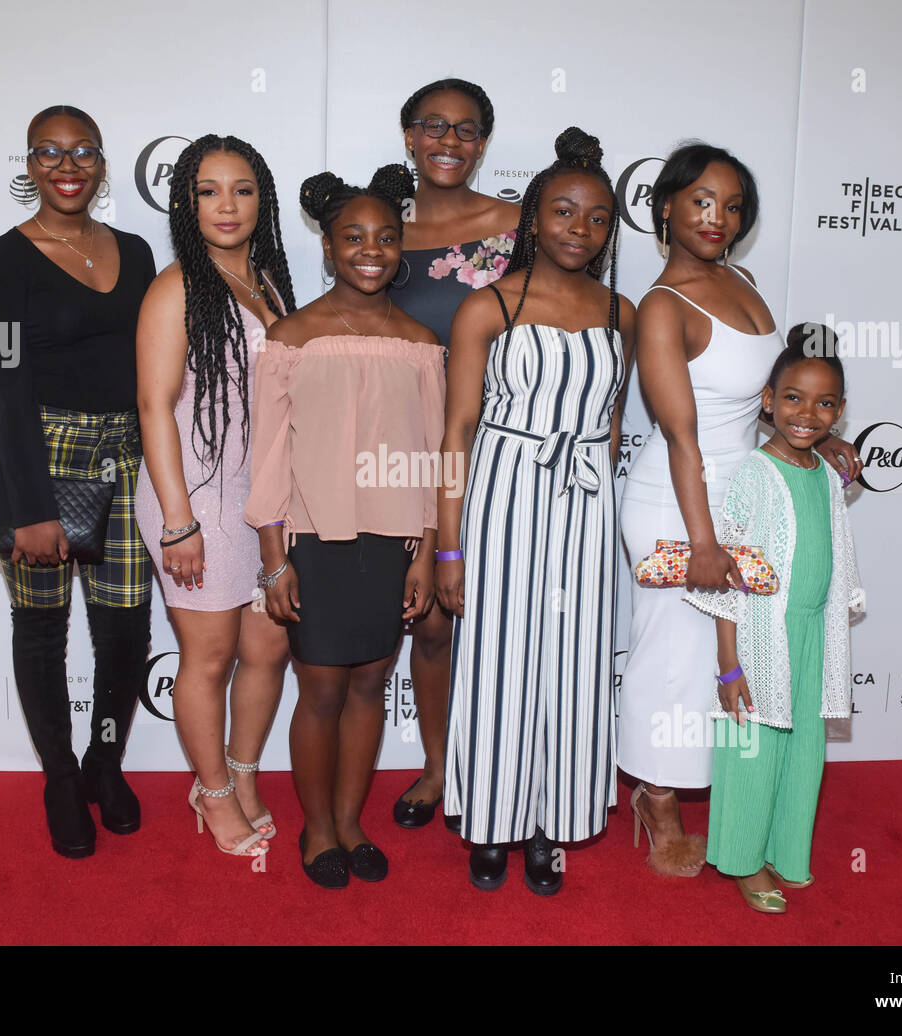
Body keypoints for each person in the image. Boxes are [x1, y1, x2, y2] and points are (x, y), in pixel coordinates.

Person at [617, 142, 861, 877]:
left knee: (733, 657)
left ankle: (722, 792)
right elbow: (683, 435)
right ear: (665, 206)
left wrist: (824, 442)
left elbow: (765, 397)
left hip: (751, 494)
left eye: (731, 206)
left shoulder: (744, 280)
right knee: (672, 656)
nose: (716, 218)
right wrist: (702, 542)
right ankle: (657, 801)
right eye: (699, 201)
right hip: (676, 503)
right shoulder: (663, 307)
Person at [437, 127, 634, 895]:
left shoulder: (623, 310)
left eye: (595, 218)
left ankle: (551, 826)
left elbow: (614, 422)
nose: (578, 230)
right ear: (533, 218)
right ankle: (493, 821)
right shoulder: (488, 306)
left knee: (576, 668)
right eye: (562, 212)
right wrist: (450, 547)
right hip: (504, 493)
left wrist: (605, 509)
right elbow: (456, 429)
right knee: (499, 664)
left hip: (585, 502)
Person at [245, 165, 443, 888]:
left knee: (369, 686)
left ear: (402, 248)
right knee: (322, 690)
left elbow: (429, 456)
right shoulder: (292, 336)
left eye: (386, 237)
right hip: (313, 541)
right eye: (352, 237)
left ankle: (353, 819)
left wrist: (423, 554)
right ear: (326, 248)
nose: (371, 250)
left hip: (392, 544)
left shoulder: (422, 342)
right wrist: (274, 560)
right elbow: (267, 456)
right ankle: (318, 828)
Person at [0, 105, 155, 859]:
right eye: (48, 152)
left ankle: (102, 763)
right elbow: (4, 386)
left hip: (129, 459)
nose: (67, 164)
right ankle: (56, 777)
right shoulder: (3, 260)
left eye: (82, 150)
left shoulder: (139, 251)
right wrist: (32, 507)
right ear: (28, 165)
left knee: (123, 631)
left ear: (104, 163)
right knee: (43, 630)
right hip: (35, 455)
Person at [134, 135, 296, 859]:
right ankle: (213, 792)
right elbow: (154, 406)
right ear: (185, 203)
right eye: (207, 190)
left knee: (268, 647)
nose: (226, 206)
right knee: (208, 657)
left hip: (265, 499)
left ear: (262, 200)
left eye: (241, 189)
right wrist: (177, 523)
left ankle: (242, 771)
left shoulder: (269, 280)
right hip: (195, 496)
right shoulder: (176, 288)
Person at [686, 325, 863, 912]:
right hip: (764, 638)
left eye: (824, 402)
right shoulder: (754, 477)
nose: (807, 413)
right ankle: (743, 858)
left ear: (839, 412)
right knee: (754, 753)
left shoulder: (828, 477)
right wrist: (728, 666)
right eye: (793, 397)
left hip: (813, 635)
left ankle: (788, 850)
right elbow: (729, 581)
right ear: (768, 400)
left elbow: (832, 558)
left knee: (805, 748)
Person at [388, 77, 521, 833]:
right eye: (432, 125)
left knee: (508, 620)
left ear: (484, 142)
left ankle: (509, 767)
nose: (448, 140)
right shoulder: (377, 231)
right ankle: (439, 767)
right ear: (408, 135)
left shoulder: (518, 228)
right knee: (433, 621)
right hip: (405, 453)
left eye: (466, 129)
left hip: (502, 448)